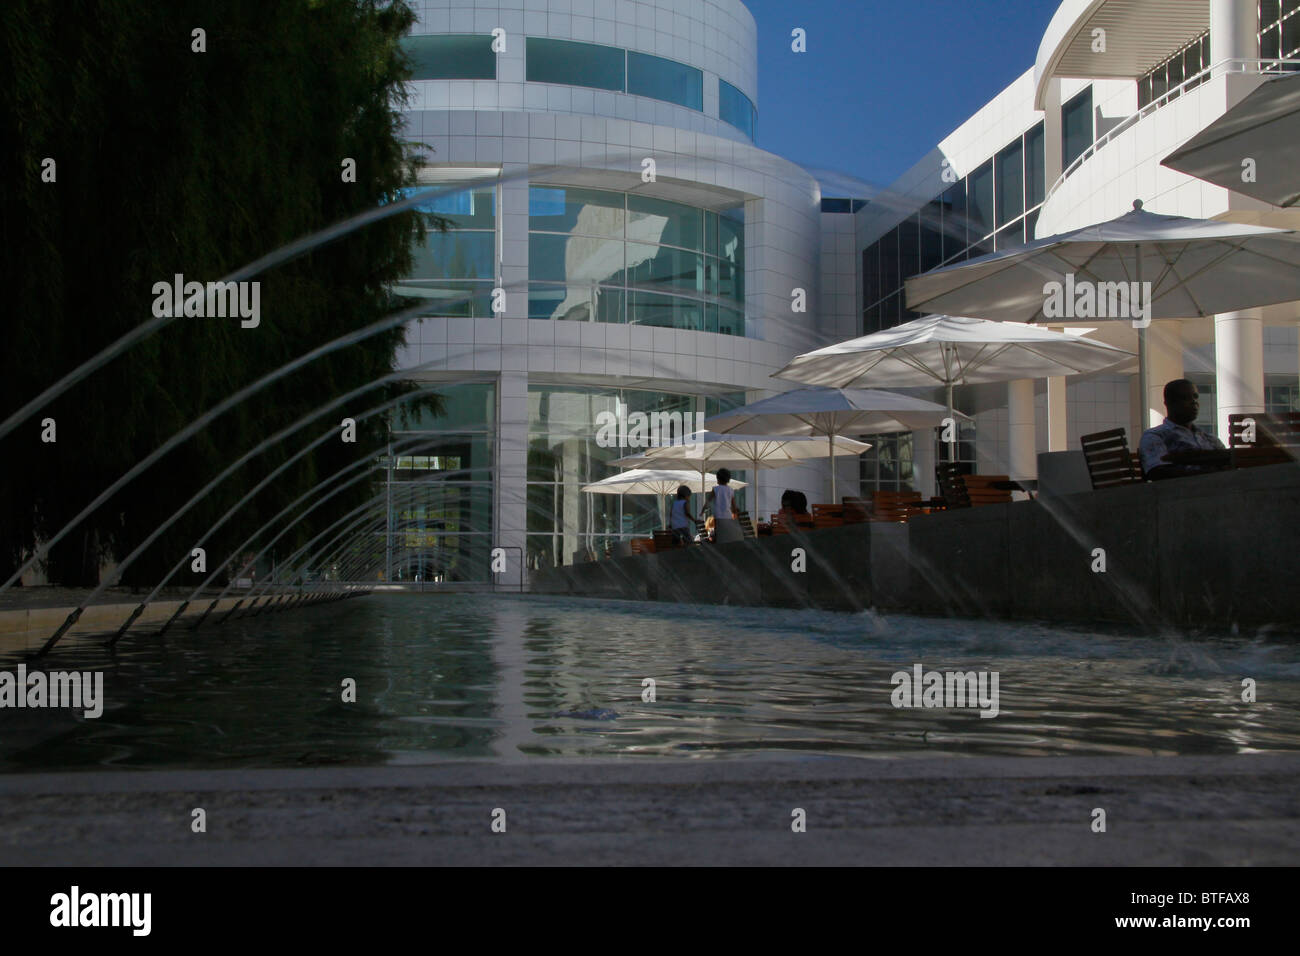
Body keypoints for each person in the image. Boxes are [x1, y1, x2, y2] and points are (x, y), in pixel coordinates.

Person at [1138, 379, 1229, 480]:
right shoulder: (1154, 436)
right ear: (1168, 403)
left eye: (1195, 397)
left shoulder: (1211, 439)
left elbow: (1230, 465)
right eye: (1185, 398)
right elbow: (1158, 472)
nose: (1194, 402)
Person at [710, 468, 744, 543]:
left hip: (718, 516)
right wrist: (736, 513)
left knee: (719, 534)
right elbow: (733, 505)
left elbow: (708, 500)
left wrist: (703, 510)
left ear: (718, 479)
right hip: (728, 515)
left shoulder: (715, 489)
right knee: (727, 534)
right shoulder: (731, 490)